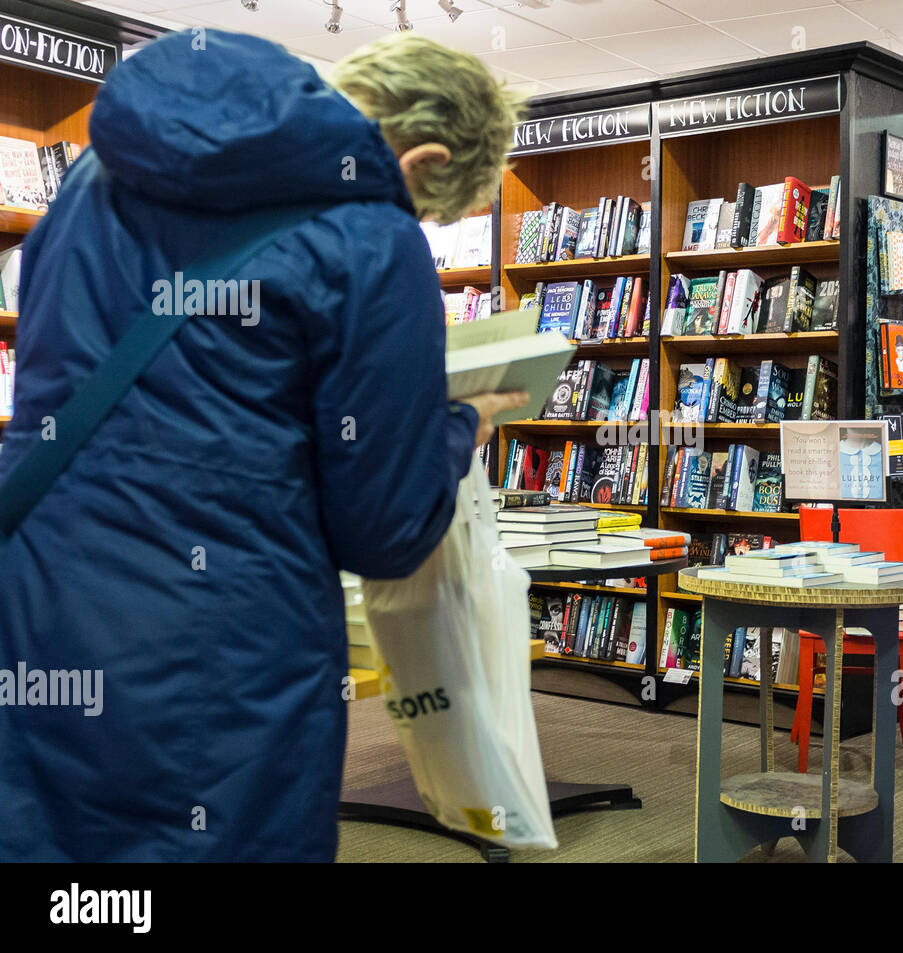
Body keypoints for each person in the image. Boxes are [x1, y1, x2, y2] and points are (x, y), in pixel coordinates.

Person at [0, 29, 528, 860]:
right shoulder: (370, 234)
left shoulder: (96, 175)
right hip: (224, 633)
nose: (415, 222)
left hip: (38, 592)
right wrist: (461, 427)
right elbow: (383, 531)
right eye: (430, 208)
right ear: (421, 158)